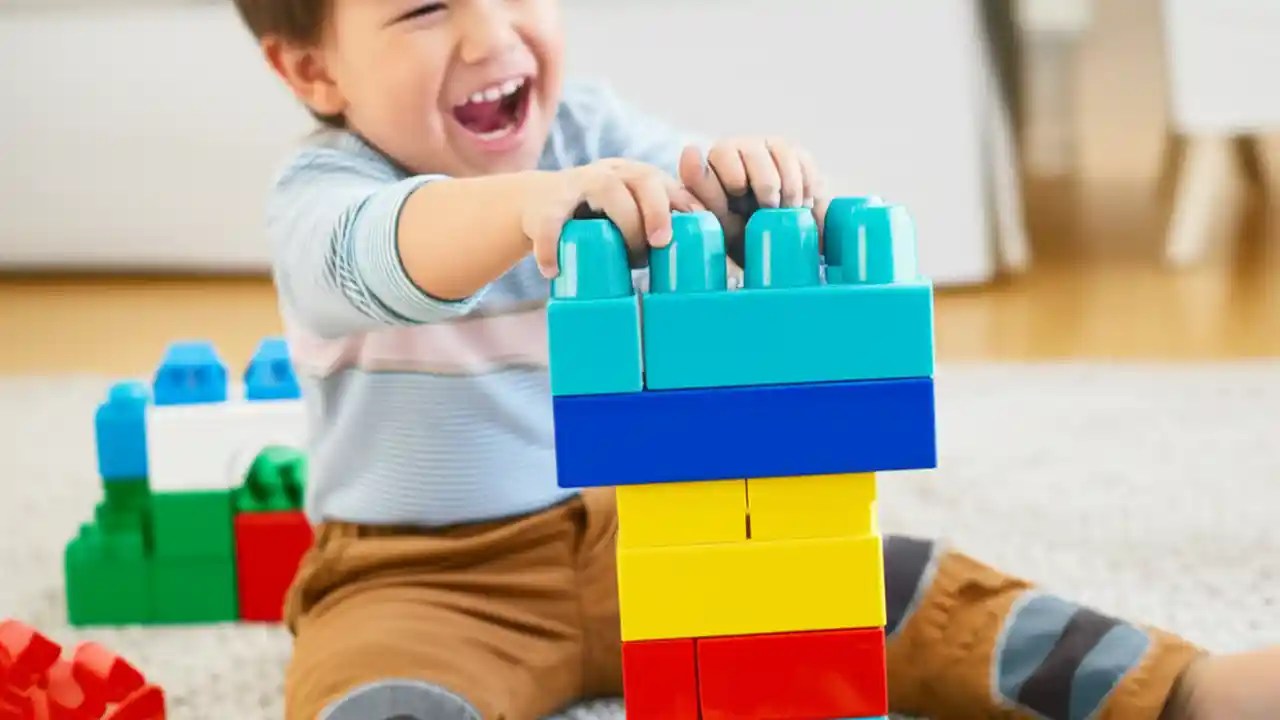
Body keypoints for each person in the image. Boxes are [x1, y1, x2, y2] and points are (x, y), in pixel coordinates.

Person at [228, 0, 1280, 718]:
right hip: (421, 576)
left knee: (907, 591)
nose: (489, 32)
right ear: (310, 67)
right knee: (368, 692)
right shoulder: (320, 195)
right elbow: (389, 251)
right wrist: (526, 207)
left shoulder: (586, 128)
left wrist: (743, 192)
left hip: (644, 523)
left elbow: (685, 197)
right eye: (422, 8)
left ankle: (1181, 686)